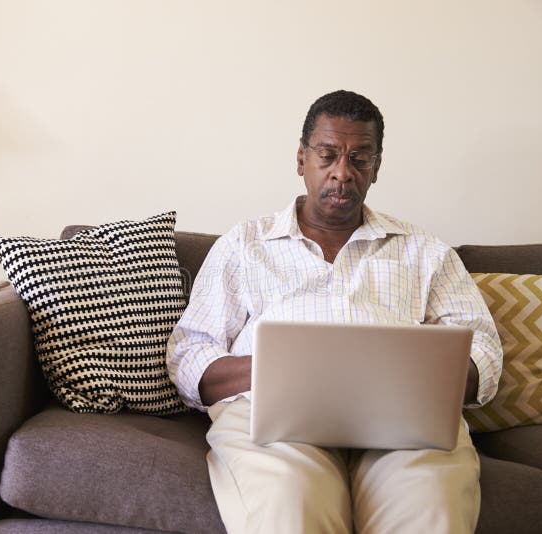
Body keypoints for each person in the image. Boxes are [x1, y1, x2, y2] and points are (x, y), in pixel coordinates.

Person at [166, 90, 503, 534]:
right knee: (289, 499)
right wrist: (278, 368)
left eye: (360, 159)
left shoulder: (424, 251)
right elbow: (189, 351)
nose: (342, 173)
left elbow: (484, 352)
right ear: (301, 159)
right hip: (274, 421)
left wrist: (419, 373)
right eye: (328, 155)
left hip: (403, 420)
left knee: (431, 505)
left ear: (377, 168)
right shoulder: (244, 245)